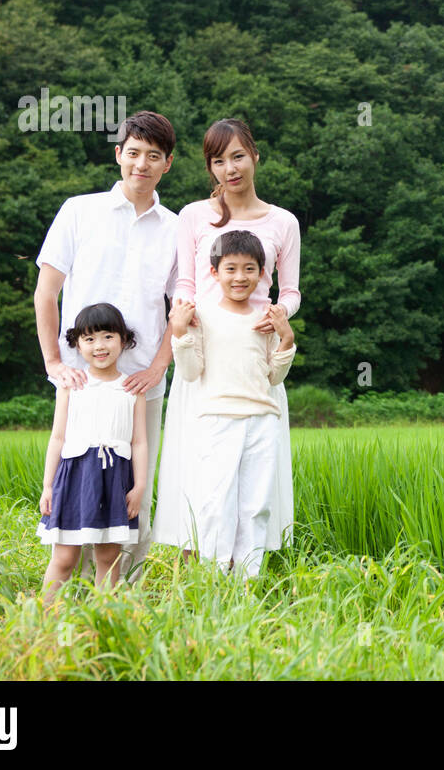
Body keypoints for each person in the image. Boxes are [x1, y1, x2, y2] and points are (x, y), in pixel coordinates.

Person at [33, 111, 179, 583]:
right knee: (70, 476)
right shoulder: (79, 210)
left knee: (137, 490)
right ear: (119, 155)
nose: (142, 164)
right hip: (81, 380)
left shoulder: (177, 228)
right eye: (133, 153)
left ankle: (120, 603)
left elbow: (181, 308)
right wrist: (55, 360)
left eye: (153, 156)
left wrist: (159, 367)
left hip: (139, 382)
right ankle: (59, 590)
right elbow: (46, 290)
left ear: (167, 164)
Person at [152, 118, 301, 558]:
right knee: (198, 473)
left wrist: (278, 316)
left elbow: (289, 291)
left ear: (255, 155)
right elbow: (185, 282)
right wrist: (183, 313)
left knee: (254, 478)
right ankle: (198, 572)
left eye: (237, 156)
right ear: (210, 167)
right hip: (200, 357)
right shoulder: (194, 216)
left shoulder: (283, 222)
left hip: (254, 358)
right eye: (218, 161)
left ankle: (247, 570)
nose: (229, 169)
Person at [169, 230, 296, 576]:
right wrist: (179, 333)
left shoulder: (267, 318)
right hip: (217, 420)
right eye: (231, 269)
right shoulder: (202, 315)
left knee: (256, 505)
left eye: (249, 269)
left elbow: (273, 377)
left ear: (261, 273)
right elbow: (191, 371)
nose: (240, 277)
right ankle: (214, 577)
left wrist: (286, 338)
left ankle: (247, 580)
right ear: (214, 273)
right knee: (216, 502)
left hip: (262, 420)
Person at [38, 304, 148, 604]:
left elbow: (139, 442)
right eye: (89, 339)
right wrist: (48, 486)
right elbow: (57, 437)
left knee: (109, 557)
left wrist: (139, 487)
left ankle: (102, 619)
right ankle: (43, 620)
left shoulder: (132, 388)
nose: (99, 346)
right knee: (64, 557)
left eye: (107, 336)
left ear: (123, 340)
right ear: (77, 344)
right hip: (74, 477)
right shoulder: (71, 386)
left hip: (115, 479)